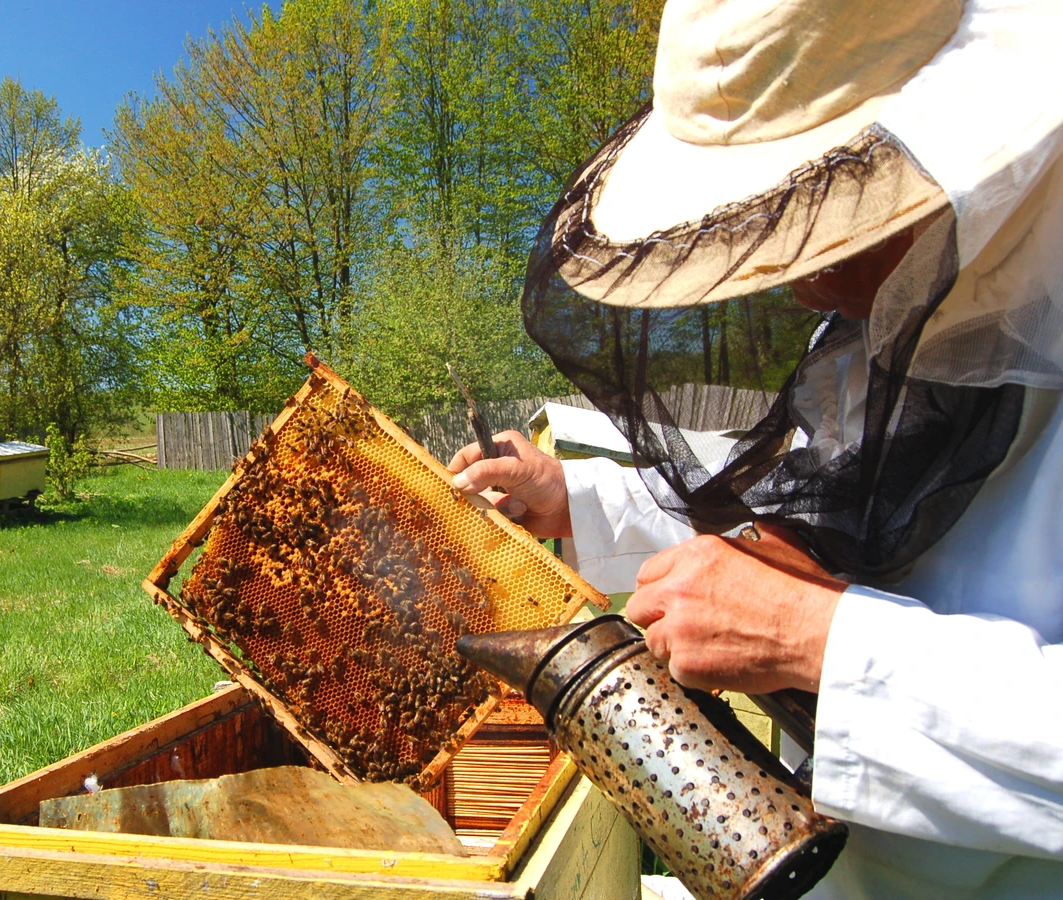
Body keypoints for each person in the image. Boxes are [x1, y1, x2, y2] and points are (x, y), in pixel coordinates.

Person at [449, 1, 1063, 897]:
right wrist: (578, 497)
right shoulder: (893, 313)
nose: (809, 283)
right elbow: (803, 503)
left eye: (839, 205)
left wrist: (820, 641)